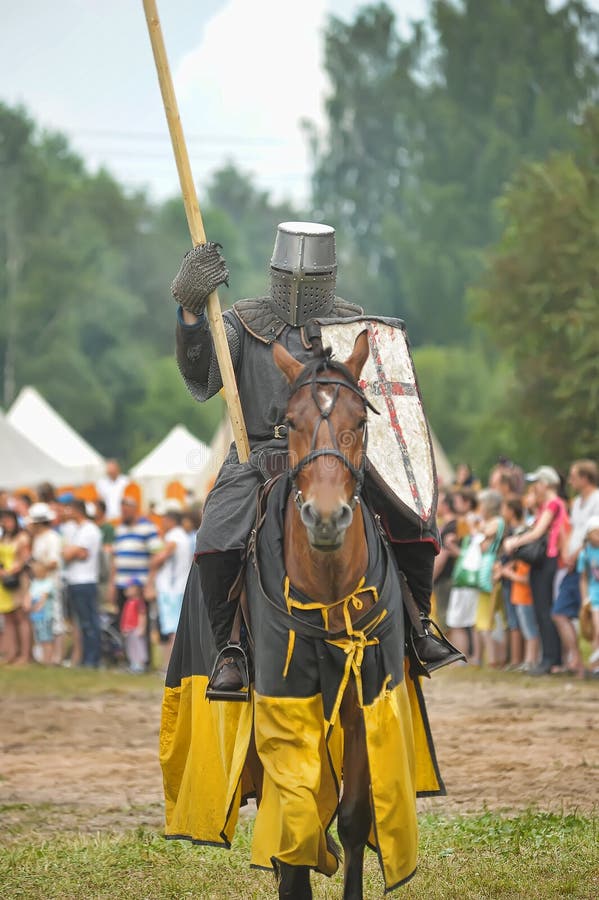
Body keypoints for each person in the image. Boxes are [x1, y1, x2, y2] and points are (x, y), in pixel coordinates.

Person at [171, 223, 459, 691]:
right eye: (290, 276)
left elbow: (380, 403)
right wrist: (189, 311)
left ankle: (417, 624)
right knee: (217, 535)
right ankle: (232, 649)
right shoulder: (241, 322)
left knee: (413, 520)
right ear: (275, 272)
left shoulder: (352, 324)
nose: (300, 286)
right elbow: (201, 374)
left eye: (310, 277)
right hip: (258, 458)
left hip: (338, 459)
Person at [504, 466, 567, 675]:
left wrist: (515, 541)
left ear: (546, 483)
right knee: (541, 609)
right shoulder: (545, 506)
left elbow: (538, 532)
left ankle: (550, 658)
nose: (535, 488)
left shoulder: (553, 504)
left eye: (537, 483)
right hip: (543, 561)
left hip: (548, 559)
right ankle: (549, 658)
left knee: (544, 608)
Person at [551, 460, 599, 677]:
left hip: (590, 566)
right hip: (573, 566)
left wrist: (578, 552)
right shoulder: (577, 502)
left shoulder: (597, 499)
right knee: (560, 613)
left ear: (585, 477)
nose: (570, 480)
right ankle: (577, 660)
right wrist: (567, 552)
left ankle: (594, 665)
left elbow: (592, 533)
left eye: (574, 475)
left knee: (595, 616)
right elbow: (573, 530)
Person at [111, 496, 161, 666]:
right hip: (122, 584)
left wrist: (150, 583)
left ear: (134, 509)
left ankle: (143, 660)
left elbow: (156, 555)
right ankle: (128, 658)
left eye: (126, 510)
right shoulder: (119, 529)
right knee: (124, 623)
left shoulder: (148, 527)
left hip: (139, 585)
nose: (123, 513)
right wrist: (112, 583)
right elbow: (115, 558)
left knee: (141, 624)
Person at [149, 501, 195, 671]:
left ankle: (169, 666)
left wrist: (154, 560)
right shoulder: (183, 535)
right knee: (174, 627)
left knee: (171, 628)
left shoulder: (174, 536)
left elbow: (162, 556)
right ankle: (172, 666)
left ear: (170, 520)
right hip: (180, 586)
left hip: (171, 588)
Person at [497, 497, 540, 672]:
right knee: (518, 624)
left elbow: (523, 578)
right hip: (515, 590)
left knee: (524, 626)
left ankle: (525, 660)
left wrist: (506, 572)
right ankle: (522, 660)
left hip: (520, 591)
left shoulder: (525, 562)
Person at [61, 498, 102, 668]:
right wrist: (70, 552)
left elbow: (79, 553)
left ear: (77, 510)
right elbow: (68, 552)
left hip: (85, 581)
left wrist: (70, 552)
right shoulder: (76, 530)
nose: (65, 512)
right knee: (81, 622)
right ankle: (85, 658)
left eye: (68, 509)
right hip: (75, 580)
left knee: (89, 622)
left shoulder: (89, 529)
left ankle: (92, 660)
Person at [28, 502, 64, 665]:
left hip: (51, 585)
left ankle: (57, 656)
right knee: (41, 619)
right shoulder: (38, 538)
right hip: (38, 585)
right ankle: (44, 655)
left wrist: (39, 567)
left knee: (54, 620)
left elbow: (54, 562)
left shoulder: (52, 538)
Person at [0, 508, 32, 665]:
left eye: (8, 520)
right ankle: (11, 652)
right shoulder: (4, 538)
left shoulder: (22, 537)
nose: (6, 523)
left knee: (21, 616)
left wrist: (10, 571)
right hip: (4, 581)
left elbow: (25, 559)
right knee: (8, 617)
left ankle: (25, 654)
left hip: (18, 580)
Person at [578, 516, 599, 677]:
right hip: (594, 594)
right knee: (596, 630)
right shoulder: (585, 553)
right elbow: (583, 578)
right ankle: (595, 665)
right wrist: (585, 598)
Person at [28, 557, 57, 665]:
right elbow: (30, 596)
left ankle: (48, 659)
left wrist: (36, 607)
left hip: (45, 615)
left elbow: (43, 597)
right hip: (36, 615)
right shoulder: (34, 583)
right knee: (39, 637)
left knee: (47, 637)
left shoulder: (48, 583)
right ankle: (43, 658)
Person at [119, 578, 148, 673]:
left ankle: (140, 664)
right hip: (129, 629)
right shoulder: (128, 602)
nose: (127, 590)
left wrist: (141, 627)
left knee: (138, 646)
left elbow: (142, 615)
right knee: (130, 646)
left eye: (130, 587)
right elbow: (125, 616)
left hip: (136, 629)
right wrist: (123, 627)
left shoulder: (139, 602)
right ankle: (133, 662)